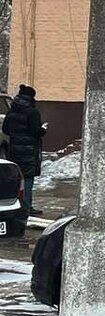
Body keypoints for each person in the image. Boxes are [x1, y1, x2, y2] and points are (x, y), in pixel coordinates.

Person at [3, 84, 46, 218]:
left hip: (15, 150)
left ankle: (16, 204)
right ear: (31, 97)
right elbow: (35, 131)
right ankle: (27, 207)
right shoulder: (32, 112)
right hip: (28, 151)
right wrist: (43, 129)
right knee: (27, 179)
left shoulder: (12, 110)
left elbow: (5, 129)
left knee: (16, 179)